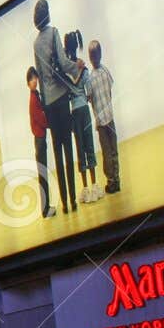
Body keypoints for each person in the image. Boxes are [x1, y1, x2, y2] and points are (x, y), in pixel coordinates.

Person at [32, 0, 79, 213]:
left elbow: (41, 76)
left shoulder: (35, 44)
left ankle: (63, 204)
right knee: (69, 148)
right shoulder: (53, 33)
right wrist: (76, 66)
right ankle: (73, 201)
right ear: (47, 15)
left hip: (49, 103)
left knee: (58, 154)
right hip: (61, 99)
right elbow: (63, 61)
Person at [65, 31, 99, 203]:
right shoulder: (83, 68)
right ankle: (94, 186)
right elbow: (89, 89)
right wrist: (86, 97)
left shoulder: (65, 71)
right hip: (84, 111)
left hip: (74, 113)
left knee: (80, 149)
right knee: (89, 146)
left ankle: (85, 189)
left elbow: (65, 92)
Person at [85, 40, 120, 194]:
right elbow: (109, 93)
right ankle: (115, 181)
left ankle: (113, 181)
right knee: (112, 151)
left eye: (94, 55)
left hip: (102, 120)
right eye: (93, 55)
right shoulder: (104, 72)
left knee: (109, 152)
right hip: (108, 118)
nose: (94, 58)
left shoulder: (91, 78)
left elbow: (90, 99)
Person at [26, 68, 56, 217]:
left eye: (35, 78)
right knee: (42, 174)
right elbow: (41, 119)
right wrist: (52, 123)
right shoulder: (33, 99)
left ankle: (46, 208)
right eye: (31, 79)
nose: (34, 81)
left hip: (40, 138)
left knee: (43, 173)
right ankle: (45, 210)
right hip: (39, 140)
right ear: (28, 83)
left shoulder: (36, 95)